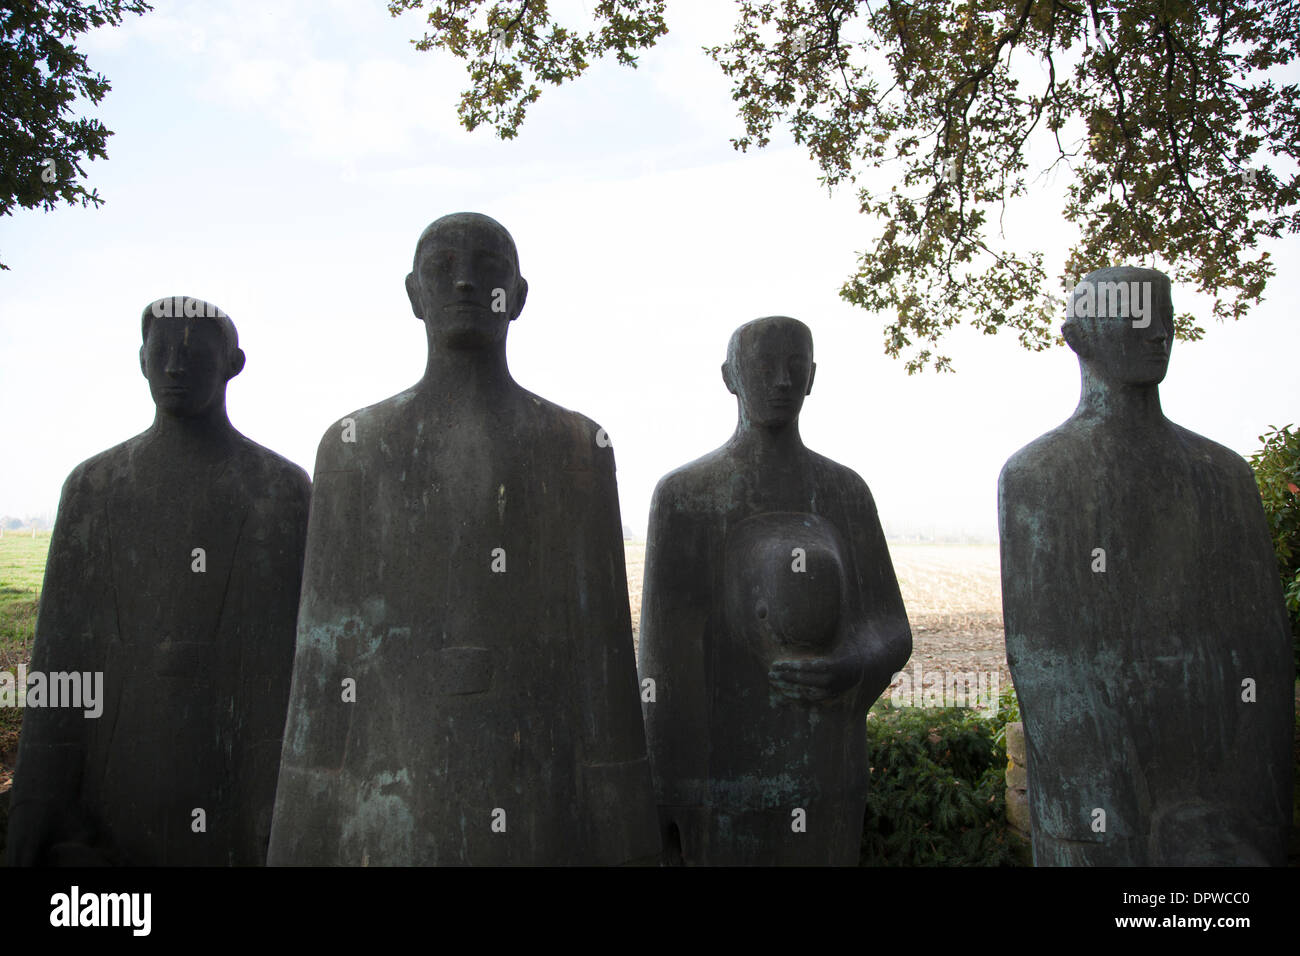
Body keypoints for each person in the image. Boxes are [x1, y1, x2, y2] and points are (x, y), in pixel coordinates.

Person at [268, 212, 659, 865]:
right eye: (442, 268)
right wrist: (300, 835)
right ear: (414, 294)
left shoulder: (576, 448)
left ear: (520, 294)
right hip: (388, 805)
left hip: (540, 805)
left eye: (487, 268)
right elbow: (323, 670)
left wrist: (626, 833)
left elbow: (606, 671)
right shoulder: (355, 451)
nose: (465, 284)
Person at [1000, 266, 1292, 865]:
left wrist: (1246, 800)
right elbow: (1048, 663)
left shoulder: (1223, 476)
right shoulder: (1038, 477)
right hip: (1105, 806)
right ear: (1078, 336)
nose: (1158, 333)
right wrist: (1108, 813)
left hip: (1223, 801)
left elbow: (1261, 650)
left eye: (1166, 317)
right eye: (1135, 316)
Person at [7, 297, 310, 866]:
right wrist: (37, 800)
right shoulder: (95, 487)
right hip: (117, 786)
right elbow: (60, 659)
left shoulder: (281, 490)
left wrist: (282, 801)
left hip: (239, 789)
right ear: (141, 362)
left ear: (233, 364)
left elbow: (288, 667)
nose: (175, 367)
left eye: (195, 354)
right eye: (162, 352)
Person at [638, 316, 911, 865]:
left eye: (795, 366)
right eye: (764, 367)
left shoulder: (843, 492)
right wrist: (672, 787)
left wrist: (852, 667)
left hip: (822, 764)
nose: (782, 381)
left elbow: (891, 628)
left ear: (814, 377)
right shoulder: (684, 497)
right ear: (729, 377)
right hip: (718, 776)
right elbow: (665, 664)